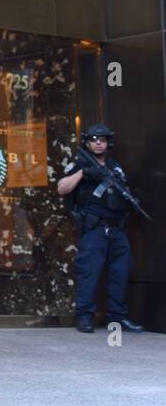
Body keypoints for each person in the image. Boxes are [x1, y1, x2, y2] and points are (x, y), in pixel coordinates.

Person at [57, 124, 145, 333]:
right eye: (94, 139)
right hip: (94, 229)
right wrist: (83, 173)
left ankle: (117, 318)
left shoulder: (115, 167)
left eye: (102, 139)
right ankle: (84, 317)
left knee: (120, 273)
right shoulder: (80, 163)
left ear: (108, 143)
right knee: (90, 273)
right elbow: (62, 188)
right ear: (87, 142)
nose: (98, 143)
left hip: (117, 230)